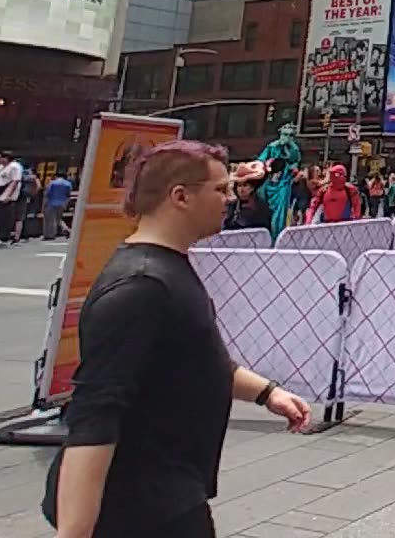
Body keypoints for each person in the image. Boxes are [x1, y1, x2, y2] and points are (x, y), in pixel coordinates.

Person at [43, 140, 310, 537]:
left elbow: (196, 357)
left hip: (169, 494)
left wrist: (267, 393)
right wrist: (75, 532)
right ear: (180, 196)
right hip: (137, 508)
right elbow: (95, 416)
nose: (230, 199)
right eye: (220, 189)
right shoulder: (141, 285)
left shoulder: (168, 269)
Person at [44, 169, 74, 240]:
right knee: (58, 218)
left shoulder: (52, 183)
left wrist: (45, 203)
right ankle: (66, 229)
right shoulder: (68, 184)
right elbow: (68, 194)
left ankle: (51, 235)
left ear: (56, 176)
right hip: (62, 203)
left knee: (52, 219)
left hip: (52, 203)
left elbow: (48, 193)